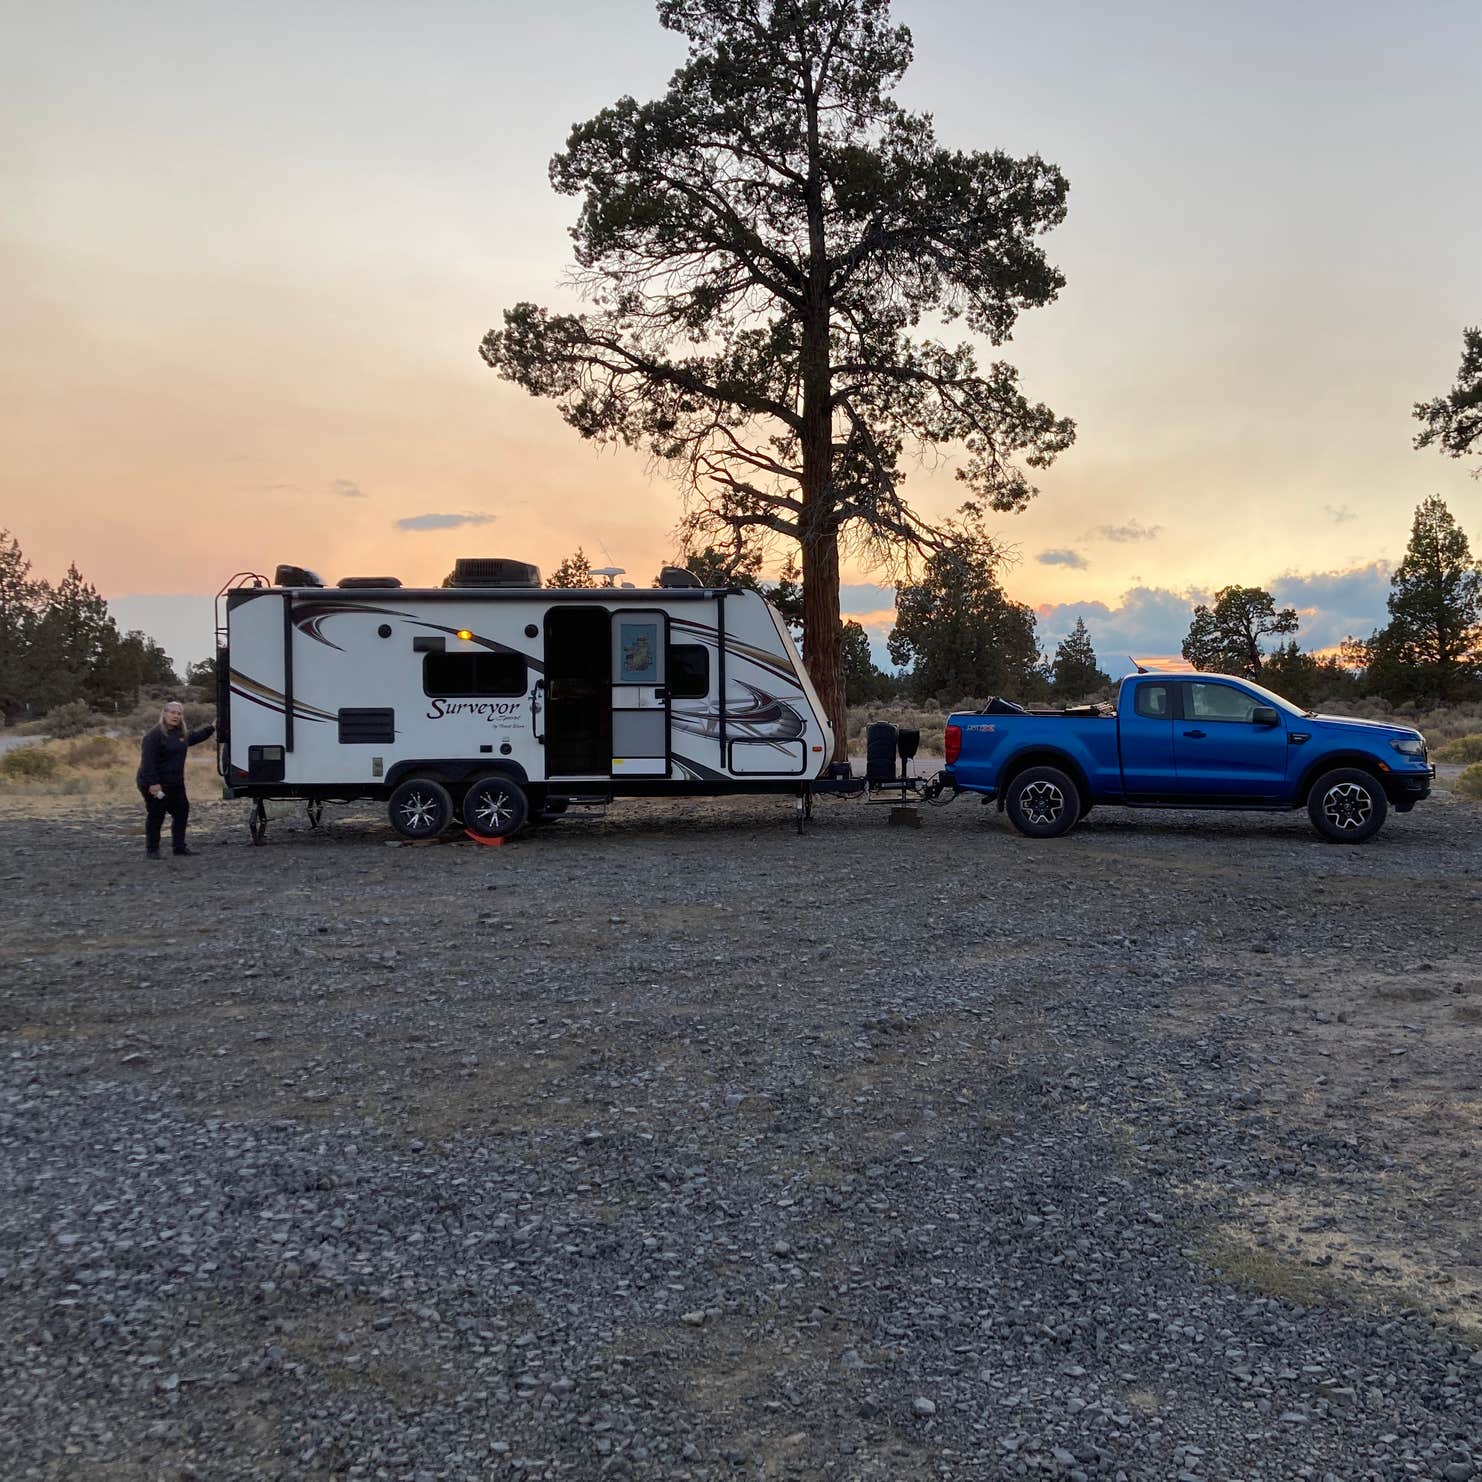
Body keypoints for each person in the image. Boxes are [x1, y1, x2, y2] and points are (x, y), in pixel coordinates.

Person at [137, 701, 215, 859]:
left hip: (175, 783)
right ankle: (152, 850)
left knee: (182, 811)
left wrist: (212, 728)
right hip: (155, 783)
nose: (175, 716)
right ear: (164, 714)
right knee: (156, 815)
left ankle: (179, 847)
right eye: (172, 712)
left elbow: (194, 737)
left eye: (179, 713)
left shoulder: (180, 734)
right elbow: (147, 762)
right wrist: (153, 784)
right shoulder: (154, 735)